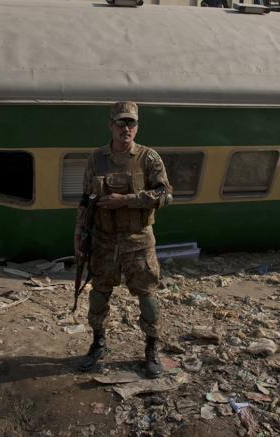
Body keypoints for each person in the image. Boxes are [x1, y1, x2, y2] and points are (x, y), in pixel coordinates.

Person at [76, 102, 172, 378]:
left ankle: (151, 350)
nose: (126, 128)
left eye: (131, 123)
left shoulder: (149, 158)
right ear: (110, 126)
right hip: (104, 241)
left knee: (147, 296)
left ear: (137, 127)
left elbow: (165, 196)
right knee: (99, 294)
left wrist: (127, 201)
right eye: (120, 123)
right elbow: (84, 202)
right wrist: (79, 238)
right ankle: (98, 345)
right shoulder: (97, 159)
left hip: (138, 241)